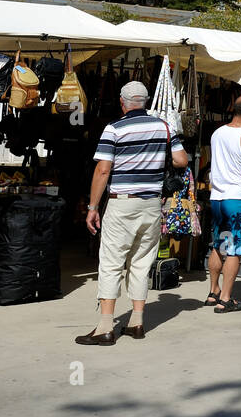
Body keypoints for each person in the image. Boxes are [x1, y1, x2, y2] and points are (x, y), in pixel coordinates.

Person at [78, 81, 188, 345]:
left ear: (122, 102)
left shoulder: (114, 129)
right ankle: (137, 323)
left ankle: (105, 327)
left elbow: (103, 170)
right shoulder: (164, 127)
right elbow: (181, 160)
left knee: (112, 262)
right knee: (141, 263)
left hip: (122, 203)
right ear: (146, 102)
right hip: (151, 204)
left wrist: (93, 207)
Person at [205, 94, 241, 314]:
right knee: (235, 249)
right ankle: (225, 298)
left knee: (219, 244)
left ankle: (213, 291)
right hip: (238, 198)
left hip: (217, 197)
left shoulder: (218, 133)